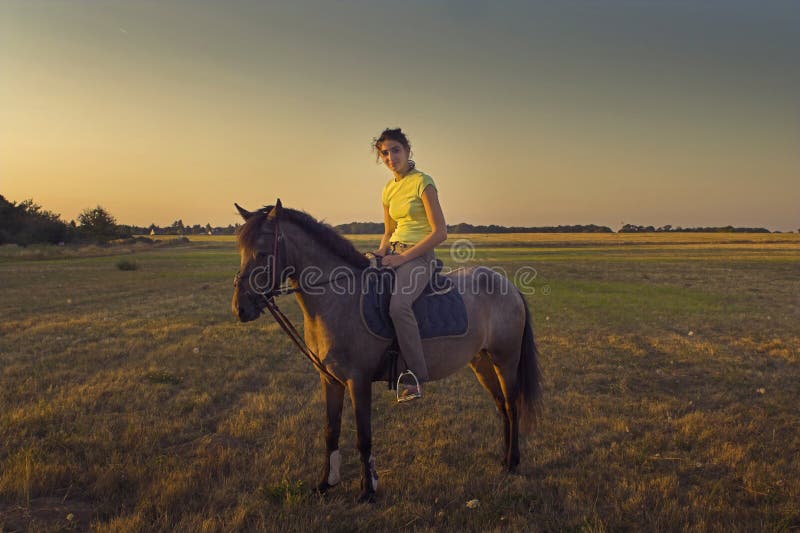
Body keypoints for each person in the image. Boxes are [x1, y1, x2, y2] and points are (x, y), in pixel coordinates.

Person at [370, 128, 447, 401]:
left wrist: (403, 258)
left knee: (399, 306)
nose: (391, 157)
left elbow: (440, 232)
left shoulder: (422, 182)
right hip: (393, 252)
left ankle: (416, 375)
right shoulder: (388, 190)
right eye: (385, 153)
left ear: (407, 150)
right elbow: (388, 231)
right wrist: (379, 253)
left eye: (395, 150)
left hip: (419, 258)